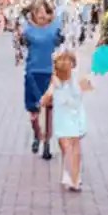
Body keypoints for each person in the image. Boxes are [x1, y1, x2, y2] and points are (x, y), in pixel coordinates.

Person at [41, 51, 91, 191]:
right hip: (71, 117)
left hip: (67, 118)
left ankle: (72, 177)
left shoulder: (63, 80)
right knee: (72, 148)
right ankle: (72, 176)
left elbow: (46, 98)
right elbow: (87, 88)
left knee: (68, 148)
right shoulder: (64, 80)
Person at [22, 0, 61, 161]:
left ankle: (46, 145)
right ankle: (37, 135)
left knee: (49, 111)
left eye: (44, 12)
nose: (41, 15)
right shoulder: (27, 30)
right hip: (32, 73)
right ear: (33, 15)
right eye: (38, 12)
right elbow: (20, 45)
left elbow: (61, 43)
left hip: (50, 73)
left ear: (49, 14)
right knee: (34, 112)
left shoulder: (55, 29)